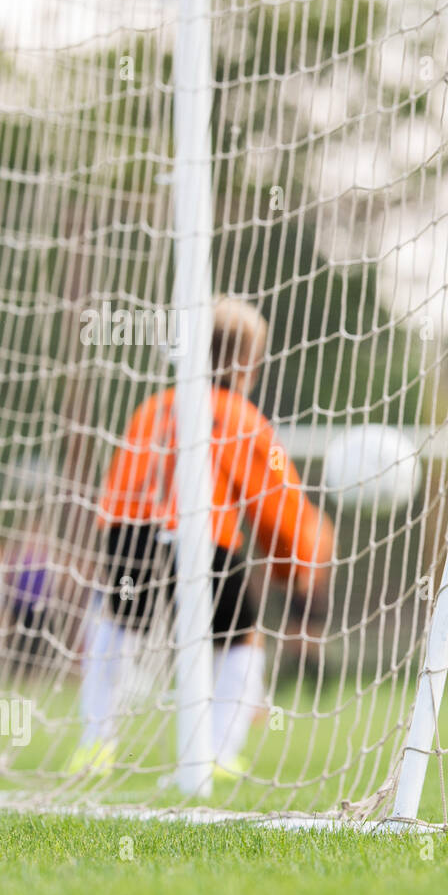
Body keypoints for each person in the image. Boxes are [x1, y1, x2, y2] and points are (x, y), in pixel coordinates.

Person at [70, 297, 334, 776]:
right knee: (241, 640)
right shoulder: (243, 420)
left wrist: (113, 542)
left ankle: (96, 743)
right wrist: (296, 563)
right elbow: (278, 505)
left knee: (115, 623)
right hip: (205, 539)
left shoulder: (155, 407)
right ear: (250, 364)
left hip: (131, 533)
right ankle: (215, 752)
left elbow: (119, 485)